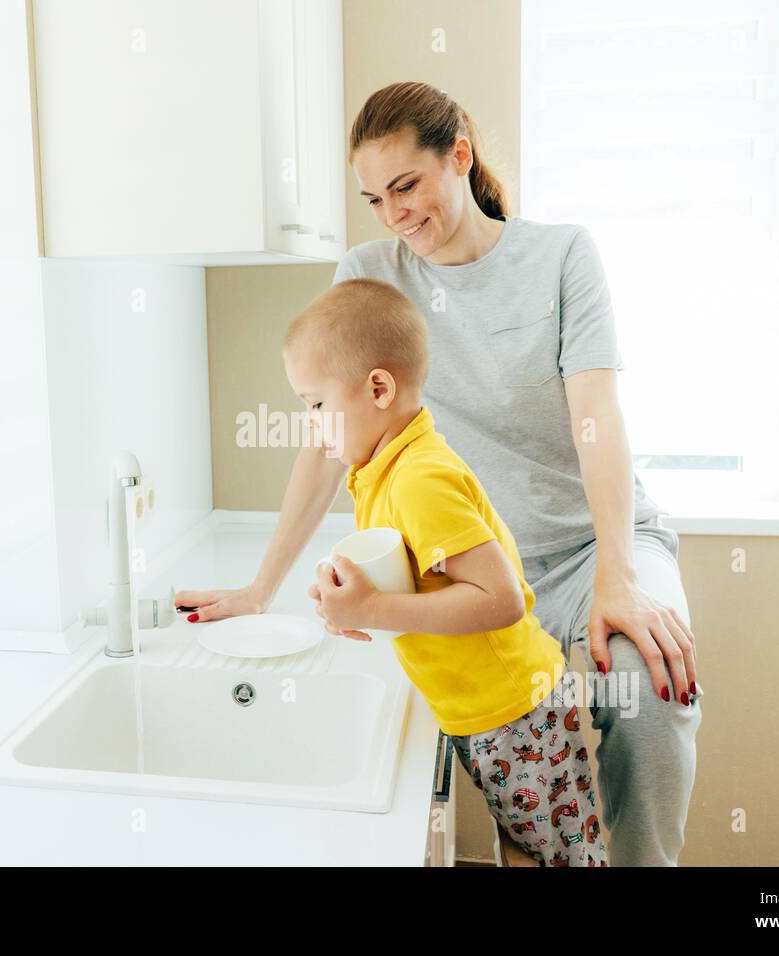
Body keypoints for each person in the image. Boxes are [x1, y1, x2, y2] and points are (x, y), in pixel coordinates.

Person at [178, 81, 701, 866]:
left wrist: (618, 577)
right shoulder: (372, 271)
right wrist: (260, 586)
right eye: (374, 198)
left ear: (458, 155)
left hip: (593, 545)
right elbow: (328, 437)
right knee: (517, 774)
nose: (395, 215)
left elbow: (599, 421)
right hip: (471, 564)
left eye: (407, 186)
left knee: (653, 693)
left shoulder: (561, 255)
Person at [285, 276, 606, 866]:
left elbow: (500, 597)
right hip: (485, 710)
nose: (310, 423)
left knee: (560, 859)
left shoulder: (418, 478)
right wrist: (351, 604)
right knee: (527, 849)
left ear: (378, 387)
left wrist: (373, 610)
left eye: (315, 404)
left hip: (517, 714)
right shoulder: (382, 470)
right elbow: (419, 581)